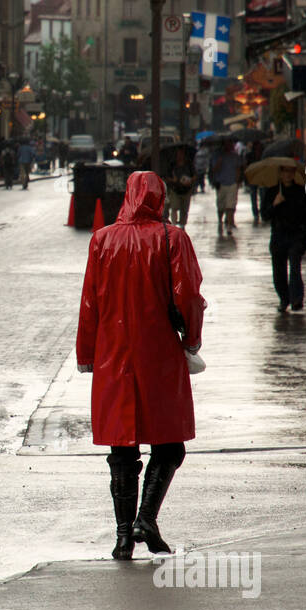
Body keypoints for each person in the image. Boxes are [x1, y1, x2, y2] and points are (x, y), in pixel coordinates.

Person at [76, 171, 206, 560]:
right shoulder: (173, 238)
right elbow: (188, 295)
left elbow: (90, 302)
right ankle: (145, 518)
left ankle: (122, 536)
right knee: (169, 445)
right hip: (159, 354)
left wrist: (86, 354)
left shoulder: (102, 239)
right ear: (160, 198)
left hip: (114, 355)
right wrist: (192, 340)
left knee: (122, 449)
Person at [260, 163, 306, 312]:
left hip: (296, 235)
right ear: (280, 173)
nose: (288, 175)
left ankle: (297, 299)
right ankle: (284, 299)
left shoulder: (300, 191)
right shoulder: (272, 191)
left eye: (291, 172)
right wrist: (275, 204)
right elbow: (264, 215)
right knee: (279, 271)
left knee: (295, 268)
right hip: (278, 236)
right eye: (285, 171)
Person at [210, 140, 241, 237]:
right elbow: (213, 170)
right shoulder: (217, 155)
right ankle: (220, 220)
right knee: (221, 205)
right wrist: (219, 162)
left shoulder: (235, 156)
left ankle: (229, 226)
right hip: (221, 183)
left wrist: (237, 181)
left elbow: (238, 168)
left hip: (232, 184)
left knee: (230, 206)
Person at [163, 149, 195, 228]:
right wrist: (173, 180)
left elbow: (194, 175)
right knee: (174, 207)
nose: (180, 156)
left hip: (186, 190)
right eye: (178, 154)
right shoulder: (172, 165)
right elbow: (166, 177)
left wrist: (190, 180)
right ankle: (174, 224)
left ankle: (182, 224)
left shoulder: (189, 165)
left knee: (184, 209)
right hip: (175, 190)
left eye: (181, 154)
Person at [246, 140, 265, 225]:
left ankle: (262, 211)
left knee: (263, 196)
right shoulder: (249, 156)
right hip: (253, 179)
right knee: (253, 195)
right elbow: (247, 167)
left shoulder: (264, 156)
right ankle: (255, 213)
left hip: (262, 179)